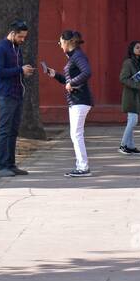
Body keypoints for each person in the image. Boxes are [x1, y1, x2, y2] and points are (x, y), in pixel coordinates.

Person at [46, 30, 92, 177]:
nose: (59, 46)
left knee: (76, 134)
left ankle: (83, 167)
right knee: (76, 134)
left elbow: (87, 72)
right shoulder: (74, 56)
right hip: (76, 100)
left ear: (67, 42)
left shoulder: (77, 55)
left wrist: (71, 82)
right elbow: (68, 81)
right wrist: (56, 75)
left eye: (60, 43)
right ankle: (81, 165)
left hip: (80, 100)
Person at [0, 20, 34, 177]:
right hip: (6, 94)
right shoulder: (0, 49)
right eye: (21, 37)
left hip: (17, 94)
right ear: (13, 33)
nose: (23, 40)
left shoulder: (16, 49)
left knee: (13, 130)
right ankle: (2, 165)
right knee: (4, 130)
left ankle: (11, 164)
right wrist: (19, 70)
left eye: (24, 37)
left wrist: (24, 71)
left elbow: (16, 71)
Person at [118, 41, 140, 155]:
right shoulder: (128, 62)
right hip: (130, 95)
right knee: (133, 120)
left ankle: (130, 146)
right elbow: (123, 78)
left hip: (137, 95)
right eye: (137, 47)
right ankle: (123, 145)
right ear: (132, 49)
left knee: (131, 120)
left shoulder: (137, 63)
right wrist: (138, 84)